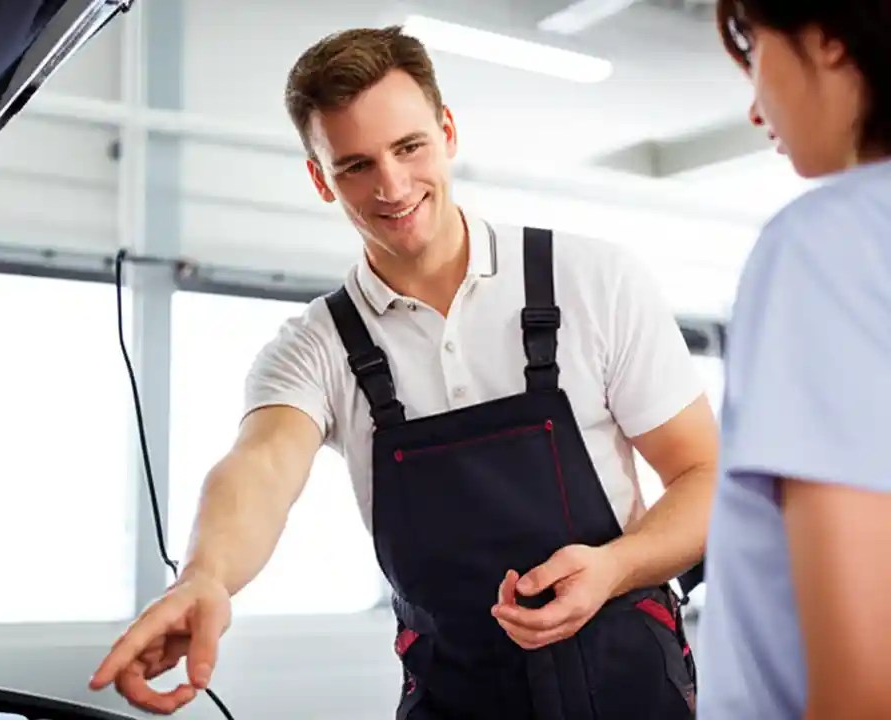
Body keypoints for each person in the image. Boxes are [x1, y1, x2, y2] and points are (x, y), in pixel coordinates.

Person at [89, 25, 719, 718]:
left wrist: (614, 568)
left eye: (409, 147)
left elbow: (706, 478)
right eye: (355, 165)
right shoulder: (316, 347)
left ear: (447, 131)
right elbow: (260, 467)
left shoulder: (593, 281)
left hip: (629, 688)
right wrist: (205, 577)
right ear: (319, 179)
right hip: (454, 700)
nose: (391, 186)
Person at [696, 2, 891, 719]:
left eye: (752, 46)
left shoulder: (833, 243)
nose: (756, 103)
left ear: (829, 38)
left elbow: (865, 689)